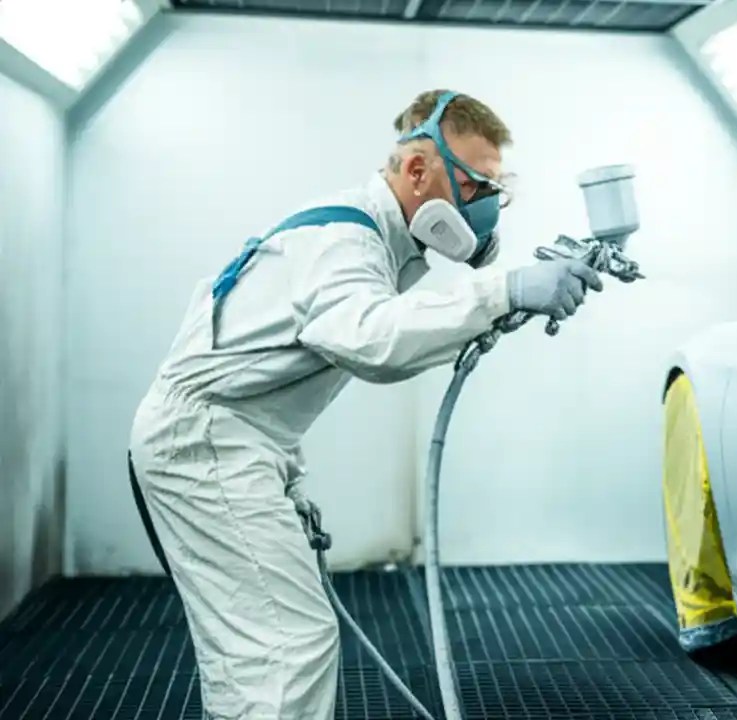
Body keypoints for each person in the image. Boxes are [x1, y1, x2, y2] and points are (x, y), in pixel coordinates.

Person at [126, 89, 603, 719]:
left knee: (252, 652)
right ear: (416, 171)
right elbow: (370, 338)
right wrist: (504, 288)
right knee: (286, 650)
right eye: (480, 186)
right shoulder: (344, 239)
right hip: (204, 447)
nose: (488, 206)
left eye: (495, 191)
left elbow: (263, 376)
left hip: (221, 442)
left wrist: (281, 476)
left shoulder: (363, 235)